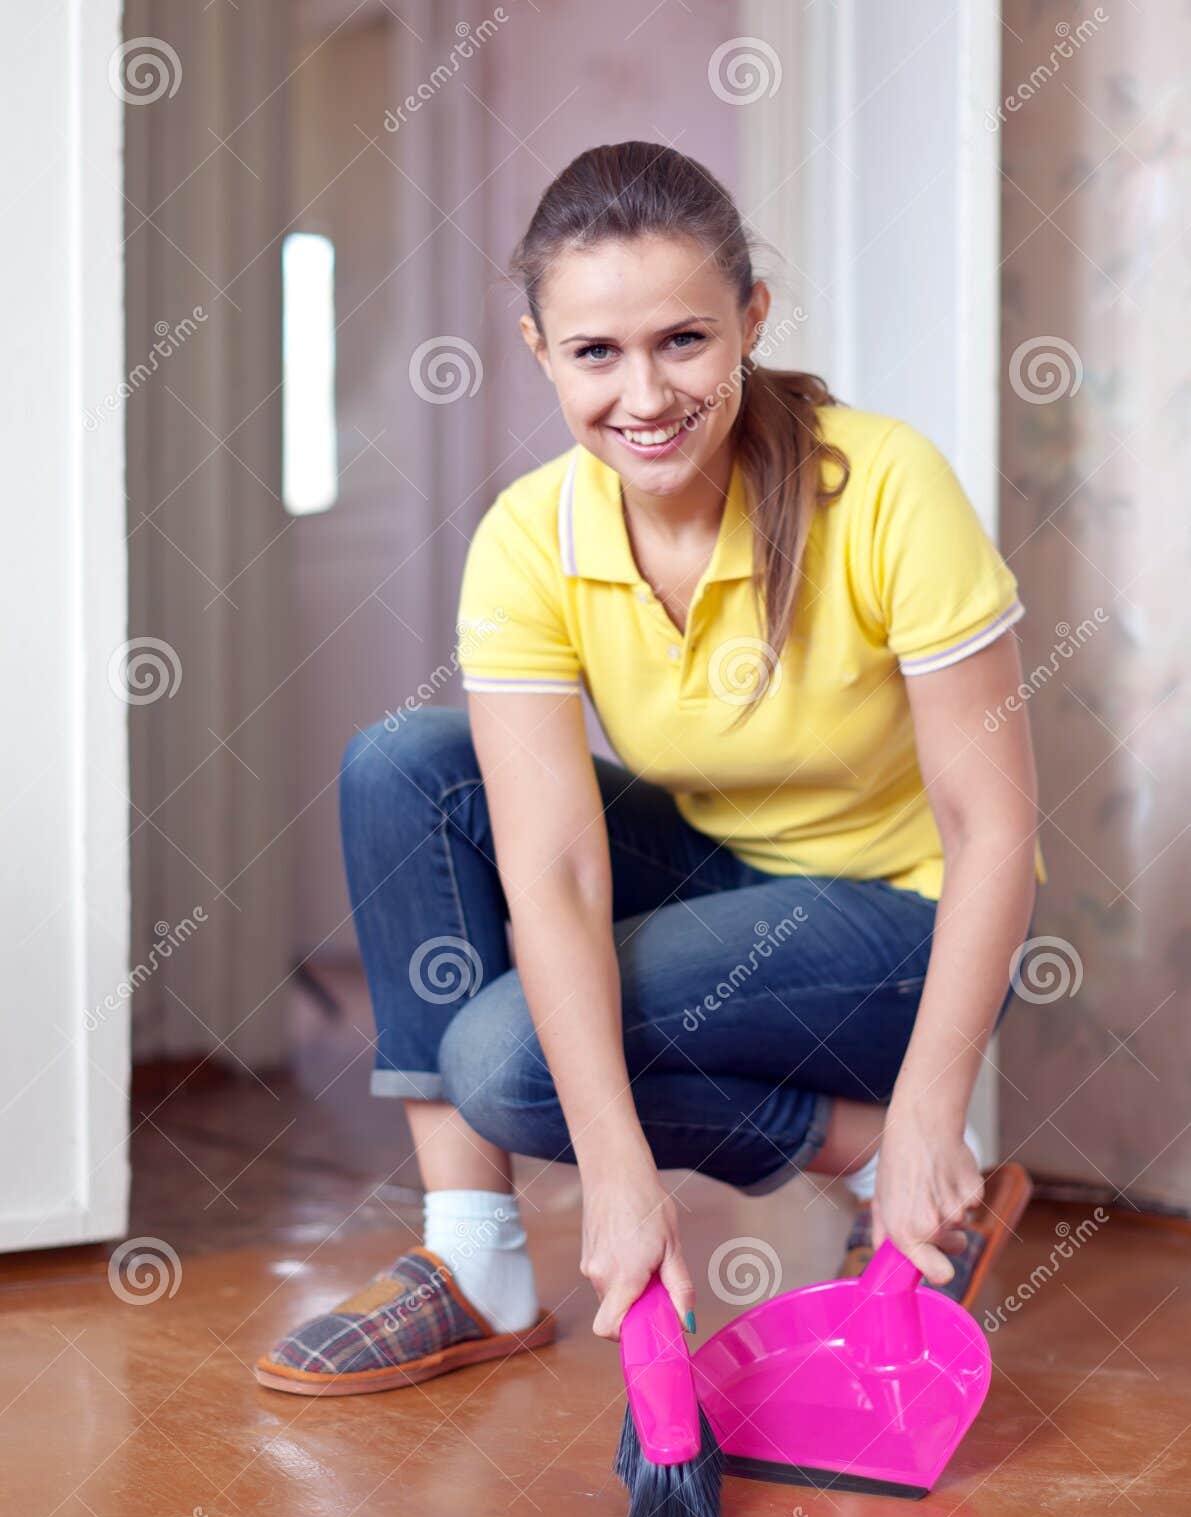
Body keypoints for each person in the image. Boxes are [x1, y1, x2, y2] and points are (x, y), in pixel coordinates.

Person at [256, 141, 1044, 1398]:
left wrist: (926, 1112)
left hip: (903, 926)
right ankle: (476, 1262)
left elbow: (994, 827)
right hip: (721, 881)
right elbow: (558, 871)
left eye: (683, 340)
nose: (645, 395)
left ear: (752, 318)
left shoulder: (884, 485)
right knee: (403, 764)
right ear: (539, 349)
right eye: (596, 353)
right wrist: (616, 1176)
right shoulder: (529, 538)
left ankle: (886, 1145)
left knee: (507, 1059)